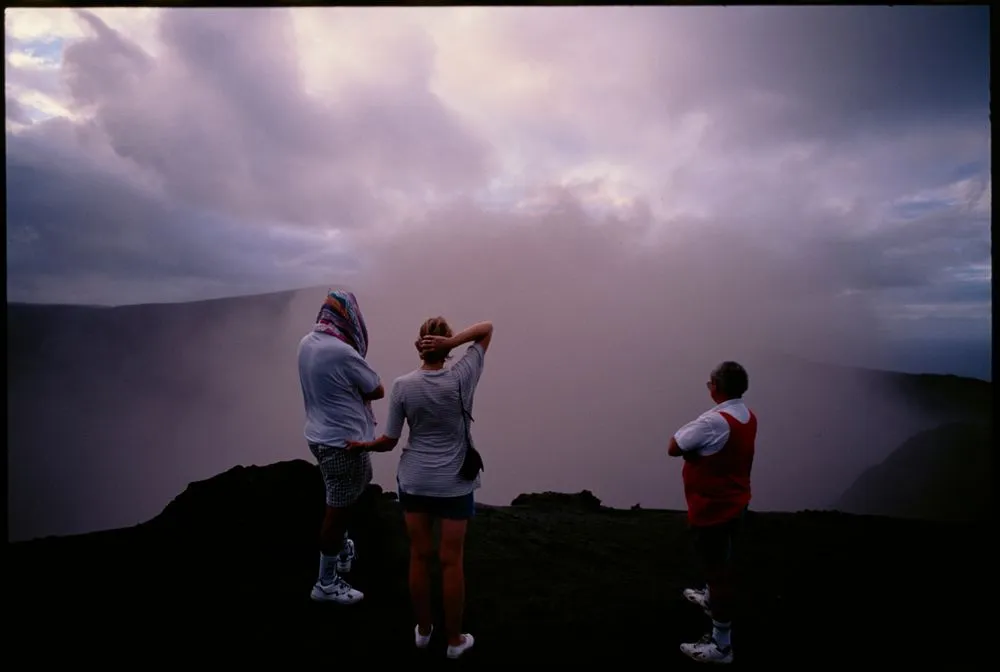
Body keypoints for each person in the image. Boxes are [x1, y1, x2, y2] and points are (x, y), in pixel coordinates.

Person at [347, 318, 493, 660]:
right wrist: (454, 342)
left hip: (415, 481)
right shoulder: (463, 376)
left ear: (419, 345)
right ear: (446, 346)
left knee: (419, 555)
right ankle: (455, 641)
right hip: (455, 483)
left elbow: (389, 442)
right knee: (450, 562)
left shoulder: (402, 386)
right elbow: (487, 328)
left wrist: (361, 446)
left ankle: (424, 632)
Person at [297, 289, 385, 605]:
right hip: (343, 443)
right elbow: (377, 389)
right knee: (337, 510)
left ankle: (342, 549)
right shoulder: (342, 352)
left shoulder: (307, 343)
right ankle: (326, 582)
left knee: (350, 490)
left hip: (320, 436)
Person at [667, 361, 756, 665]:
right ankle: (710, 597)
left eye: (710, 383)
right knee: (721, 559)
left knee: (718, 571)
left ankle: (721, 645)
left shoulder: (714, 422)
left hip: (714, 509)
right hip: (735, 502)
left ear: (717, 388)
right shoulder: (747, 416)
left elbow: (674, 445)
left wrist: (693, 449)